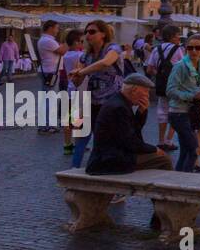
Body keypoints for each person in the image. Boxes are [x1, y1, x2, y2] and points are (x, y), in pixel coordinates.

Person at [67, 20, 126, 169]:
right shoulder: (85, 56)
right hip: (90, 102)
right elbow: (77, 83)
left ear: (103, 34)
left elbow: (106, 63)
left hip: (111, 103)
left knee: (106, 140)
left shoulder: (113, 49)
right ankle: (74, 173)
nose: (88, 35)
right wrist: (75, 77)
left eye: (92, 32)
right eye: (86, 32)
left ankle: (104, 171)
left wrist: (81, 71)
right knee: (81, 139)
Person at [85, 74, 171, 174]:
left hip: (115, 154)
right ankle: (168, 188)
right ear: (134, 91)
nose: (147, 96)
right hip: (108, 160)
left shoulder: (120, 101)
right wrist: (154, 149)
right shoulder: (119, 107)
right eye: (146, 92)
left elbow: (133, 133)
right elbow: (131, 142)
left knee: (159, 157)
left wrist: (141, 112)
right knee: (164, 159)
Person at [165, 33, 200, 172]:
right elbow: (170, 90)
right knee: (194, 151)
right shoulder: (180, 66)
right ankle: (184, 182)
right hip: (178, 114)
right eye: (190, 48)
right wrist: (192, 96)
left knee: (185, 152)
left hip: (191, 113)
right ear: (186, 49)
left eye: (197, 48)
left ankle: (176, 182)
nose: (193, 51)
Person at [146, 25, 184, 150]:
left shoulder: (157, 49)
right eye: (178, 35)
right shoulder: (178, 49)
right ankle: (168, 140)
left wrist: (160, 75)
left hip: (161, 84)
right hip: (175, 85)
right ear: (173, 36)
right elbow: (183, 67)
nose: (179, 38)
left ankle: (161, 140)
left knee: (162, 111)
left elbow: (149, 68)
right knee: (175, 111)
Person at [59, 29, 84, 154]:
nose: (83, 44)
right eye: (81, 41)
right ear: (76, 42)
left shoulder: (66, 55)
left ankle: (67, 144)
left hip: (69, 88)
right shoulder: (80, 55)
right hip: (78, 89)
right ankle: (78, 144)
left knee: (67, 120)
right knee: (78, 120)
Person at [36, 20, 62, 134]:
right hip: (50, 72)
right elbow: (62, 51)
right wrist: (69, 40)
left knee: (48, 99)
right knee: (49, 99)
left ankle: (47, 124)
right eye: (56, 28)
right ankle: (45, 125)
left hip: (48, 71)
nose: (57, 30)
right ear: (50, 28)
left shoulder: (46, 40)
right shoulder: (48, 40)